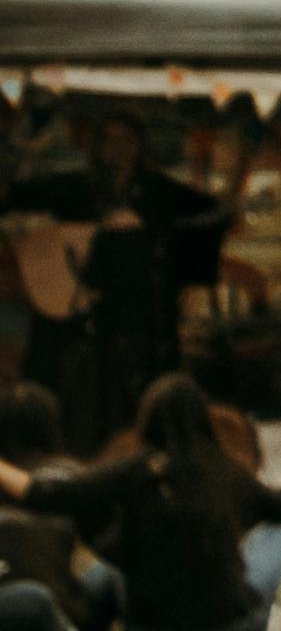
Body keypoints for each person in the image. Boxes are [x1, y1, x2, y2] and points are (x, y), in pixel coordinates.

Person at [0, 369, 281, 631]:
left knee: (106, 572)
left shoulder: (132, 471)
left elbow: (44, 495)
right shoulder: (224, 469)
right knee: (277, 534)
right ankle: (262, 612)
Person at [6, 111, 224, 444]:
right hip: (79, 318)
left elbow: (206, 213)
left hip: (137, 319)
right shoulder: (74, 187)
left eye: (127, 141)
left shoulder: (154, 190)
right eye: (110, 140)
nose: (118, 149)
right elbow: (17, 203)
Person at [0, 386, 151, 631]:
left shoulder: (10, 476)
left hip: (16, 597)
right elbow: (111, 545)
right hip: (63, 609)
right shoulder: (70, 473)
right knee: (105, 574)